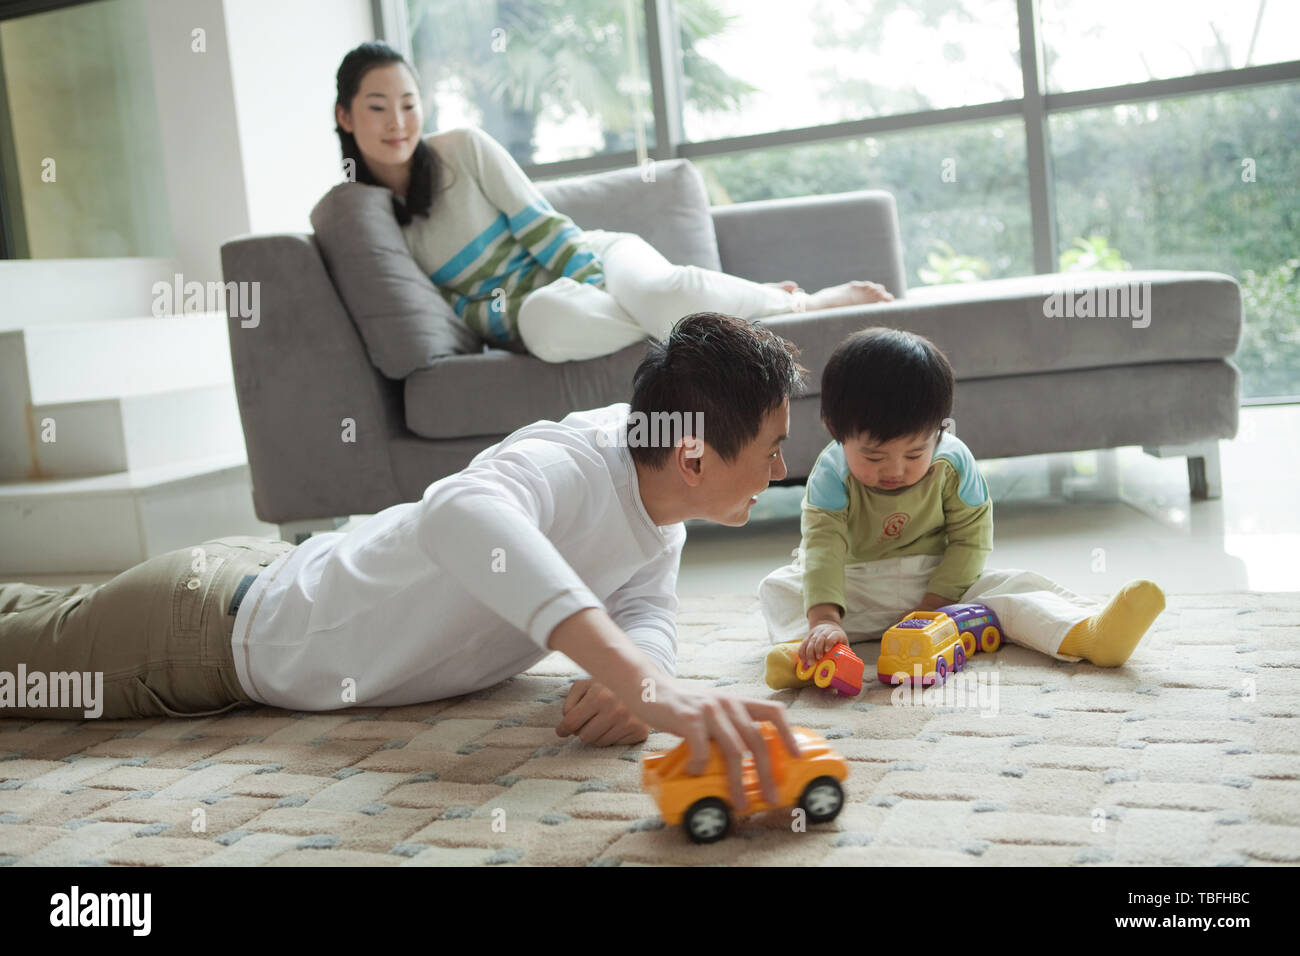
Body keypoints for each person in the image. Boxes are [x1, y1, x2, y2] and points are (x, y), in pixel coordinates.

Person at [0, 313, 808, 812]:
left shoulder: (658, 491)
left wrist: (643, 666)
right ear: (696, 458)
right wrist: (647, 687)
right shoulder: (574, 463)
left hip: (269, 578)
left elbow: (647, 606)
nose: (780, 470)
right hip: (206, 631)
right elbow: (459, 511)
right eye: (772, 451)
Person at [332, 41, 895, 364]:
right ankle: (694, 309)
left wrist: (596, 282)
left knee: (659, 291)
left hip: (594, 260)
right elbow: (462, 310)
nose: (398, 122)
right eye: (378, 107)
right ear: (346, 116)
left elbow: (544, 228)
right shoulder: (372, 221)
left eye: (408, 104)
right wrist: (511, 322)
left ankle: (799, 303)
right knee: (545, 326)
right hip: (545, 310)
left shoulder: (463, 149)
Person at [758, 326, 1167, 688]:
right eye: (875, 456)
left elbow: (972, 540)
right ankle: (809, 656)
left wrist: (934, 607)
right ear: (836, 430)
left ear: (939, 430)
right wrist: (826, 619)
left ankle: (1086, 633)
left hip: (938, 582)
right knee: (781, 589)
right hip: (856, 584)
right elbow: (823, 548)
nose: (896, 471)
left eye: (915, 452)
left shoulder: (954, 463)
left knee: (1012, 589)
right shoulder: (831, 473)